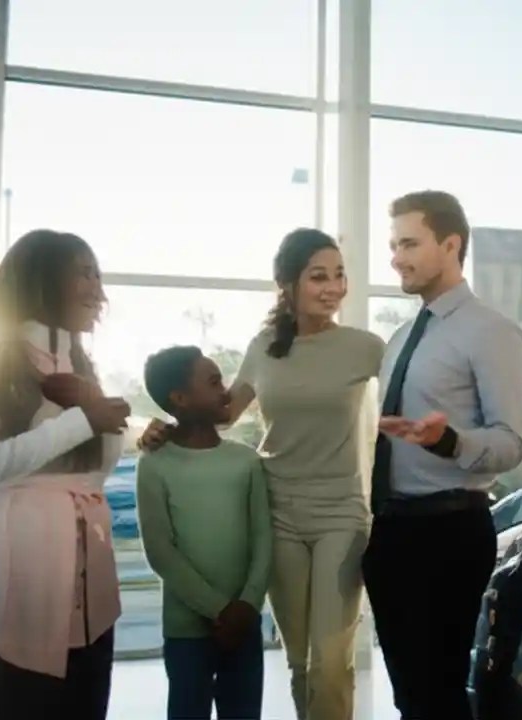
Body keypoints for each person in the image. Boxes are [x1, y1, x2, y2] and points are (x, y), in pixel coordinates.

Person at [140, 228, 385, 720]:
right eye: (319, 276)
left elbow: (411, 397)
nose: (333, 288)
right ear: (286, 284)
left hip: (342, 512)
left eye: (340, 276)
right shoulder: (264, 346)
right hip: (279, 512)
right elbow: (221, 413)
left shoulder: (365, 347)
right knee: (300, 661)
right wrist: (155, 429)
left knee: (331, 661)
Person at [364, 190, 522, 719]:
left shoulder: (492, 331)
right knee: (410, 697)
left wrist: (450, 441)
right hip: (388, 533)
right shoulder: (399, 338)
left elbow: (512, 442)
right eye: (393, 245)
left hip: (448, 533)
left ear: (451, 244)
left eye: (409, 243)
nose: (396, 258)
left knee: (437, 696)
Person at [0, 230, 131, 720]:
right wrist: (83, 420)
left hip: (91, 581)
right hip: (21, 579)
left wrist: (94, 411)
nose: (97, 288)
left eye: (97, 273)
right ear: (40, 279)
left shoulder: (79, 361)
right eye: (83, 272)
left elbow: (97, 470)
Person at [136, 346, 272, 720]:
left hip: (244, 622)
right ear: (179, 399)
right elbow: (160, 551)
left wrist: (247, 605)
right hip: (187, 630)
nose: (225, 392)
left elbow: (263, 538)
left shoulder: (246, 461)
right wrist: (220, 610)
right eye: (213, 383)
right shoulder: (155, 464)